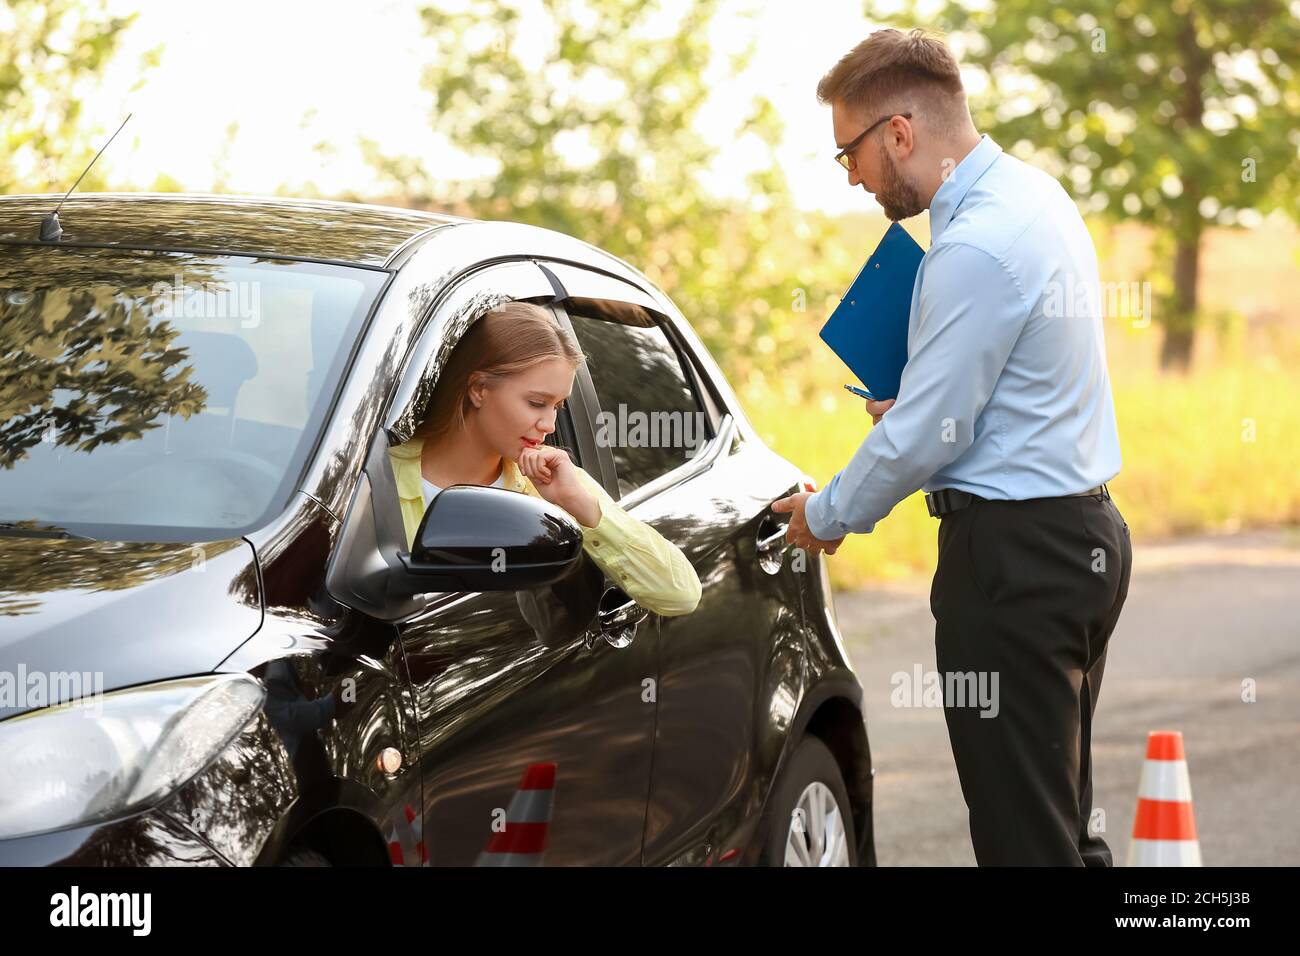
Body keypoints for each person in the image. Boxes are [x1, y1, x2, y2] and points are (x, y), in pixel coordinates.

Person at [773, 28, 1132, 865]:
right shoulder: (1033, 196)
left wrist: (826, 514)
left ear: (899, 132)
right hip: (1079, 538)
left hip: (1015, 562)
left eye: (848, 154)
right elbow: (990, 392)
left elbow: (926, 435)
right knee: (1058, 821)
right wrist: (928, 403)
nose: (853, 177)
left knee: (1023, 841)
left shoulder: (972, 247)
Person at [388, 300, 701, 618]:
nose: (550, 425)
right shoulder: (376, 479)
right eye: (537, 402)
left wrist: (582, 506)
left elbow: (680, 595)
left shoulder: (554, 482)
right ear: (479, 388)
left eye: (558, 407)